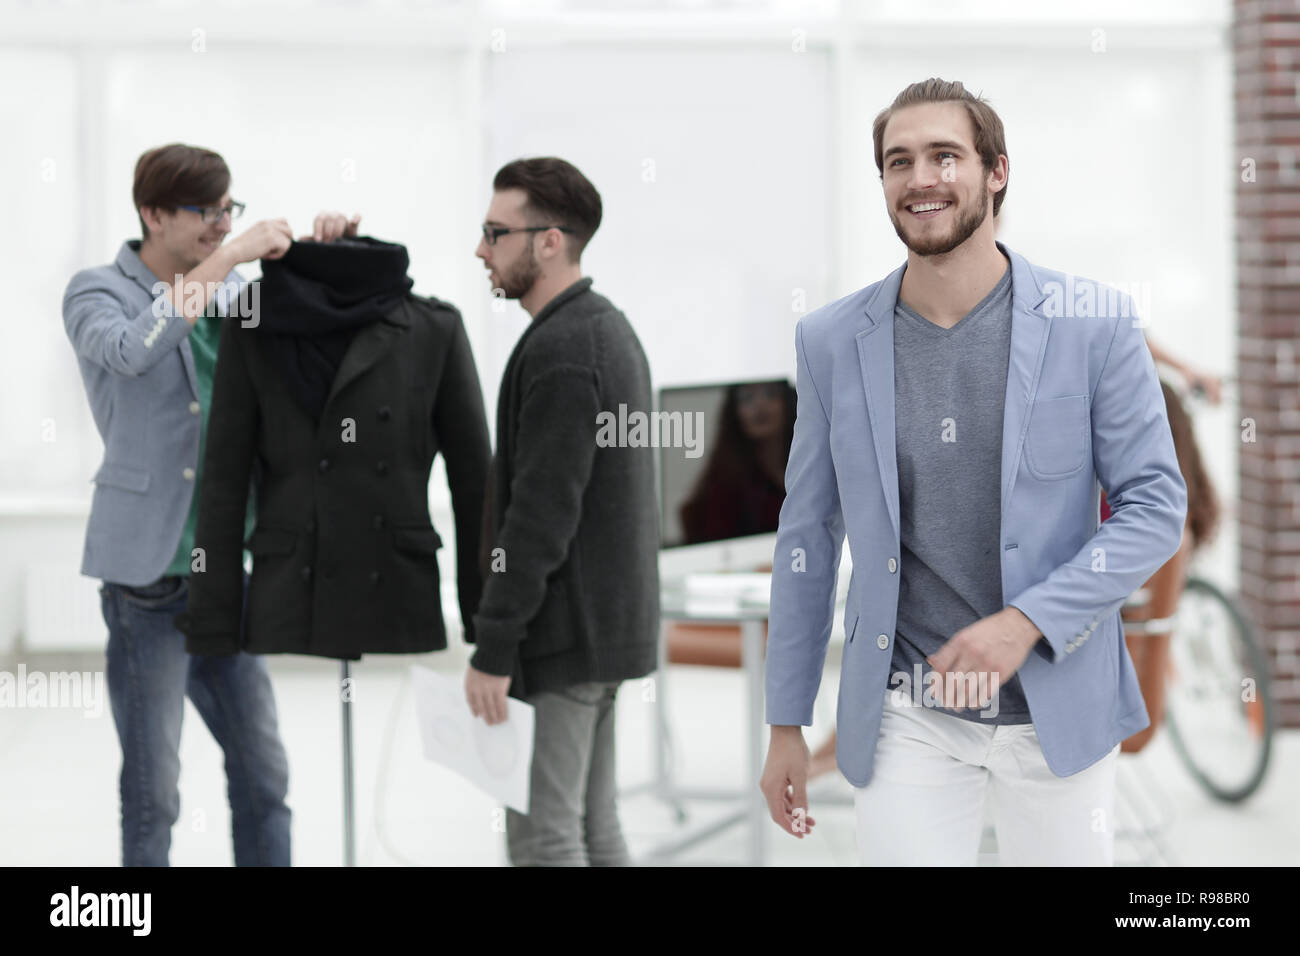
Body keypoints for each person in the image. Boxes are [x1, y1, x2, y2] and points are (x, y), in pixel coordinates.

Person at [759, 79, 1188, 866]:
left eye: (944, 156)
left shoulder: (1094, 325)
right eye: (898, 161)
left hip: (1058, 702)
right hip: (909, 711)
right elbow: (808, 535)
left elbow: (1156, 505)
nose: (920, 178)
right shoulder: (829, 341)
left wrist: (1025, 623)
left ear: (996, 172)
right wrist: (785, 722)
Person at [62, 142, 354, 866]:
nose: (223, 226)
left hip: (228, 573)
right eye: (206, 212)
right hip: (146, 582)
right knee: (155, 790)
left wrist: (333, 258)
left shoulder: (230, 293)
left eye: (231, 210)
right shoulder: (96, 291)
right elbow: (135, 349)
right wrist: (231, 260)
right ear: (152, 214)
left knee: (263, 773)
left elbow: (315, 341)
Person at [464, 157, 659, 866]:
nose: (481, 251)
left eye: (495, 233)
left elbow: (539, 520)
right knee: (590, 826)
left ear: (549, 241)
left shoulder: (565, 348)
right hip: (598, 632)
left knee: (544, 839)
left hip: (562, 638)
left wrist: (493, 646)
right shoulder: (602, 330)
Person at [678, 380, 796, 544]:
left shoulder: (806, 468)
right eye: (747, 398)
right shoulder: (723, 484)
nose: (759, 406)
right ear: (735, 413)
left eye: (771, 394)